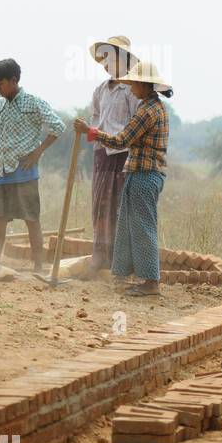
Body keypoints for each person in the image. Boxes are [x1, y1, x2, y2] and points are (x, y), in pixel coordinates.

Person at [73, 61, 172, 297]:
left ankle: (150, 282)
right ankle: (131, 275)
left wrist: (92, 132)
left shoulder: (147, 111)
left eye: (133, 84)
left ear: (142, 85)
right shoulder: (155, 107)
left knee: (142, 229)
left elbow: (121, 140)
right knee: (129, 226)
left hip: (144, 175)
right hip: (141, 173)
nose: (131, 88)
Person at [0, 58, 66, 273]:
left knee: (31, 219)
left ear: (13, 80)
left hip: (24, 171)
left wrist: (38, 152)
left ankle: (38, 266)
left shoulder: (33, 102)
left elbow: (58, 126)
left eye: (0, 84)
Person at [87, 36, 141, 278]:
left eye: (111, 57)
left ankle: (121, 263)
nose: (106, 62)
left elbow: (136, 124)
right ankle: (100, 257)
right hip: (102, 155)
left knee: (121, 208)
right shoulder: (101, 90)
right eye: (104, 58)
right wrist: (92, 137)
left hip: (123, 154)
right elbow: (95, 120)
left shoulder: (132, 89)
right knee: (101, 206)